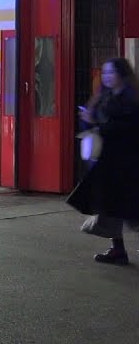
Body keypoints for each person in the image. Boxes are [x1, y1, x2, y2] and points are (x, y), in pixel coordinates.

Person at [68, 57, 139, 264]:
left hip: (127, 161)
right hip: (109, 161)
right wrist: (88, 120)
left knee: (125, 206)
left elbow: (127, 129)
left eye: (111, 72)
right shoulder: (104, 96)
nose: (107, 77)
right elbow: (96, 124)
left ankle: (118, 249)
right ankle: (118, 249)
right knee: (111, 206)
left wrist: (99, 125)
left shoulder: (131, 99)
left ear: (122, 74)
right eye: (104, 72)